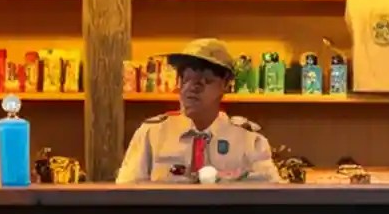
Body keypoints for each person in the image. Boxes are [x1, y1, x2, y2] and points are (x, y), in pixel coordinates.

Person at [116, 38, 282, 184]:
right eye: (186, 79)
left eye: (205, 81)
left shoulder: (249, 140)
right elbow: (126, 196)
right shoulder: (151, 134)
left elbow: (272, 197)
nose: (191, 89)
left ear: (225, 84)